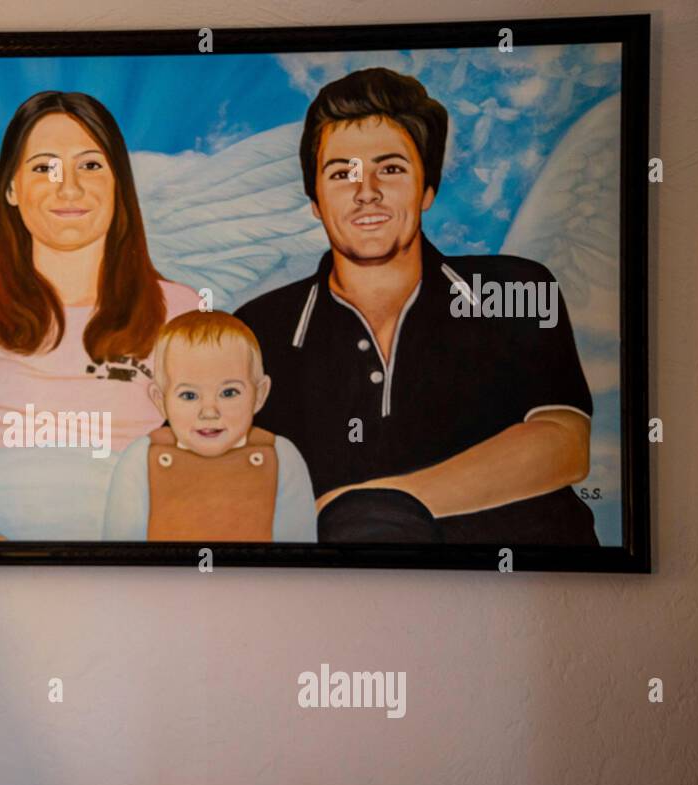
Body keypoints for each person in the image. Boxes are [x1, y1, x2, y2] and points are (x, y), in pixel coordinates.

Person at [235, 68, 598, 545]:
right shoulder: (257, 328)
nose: (366, 191)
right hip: (332, 603)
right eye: (342, 173)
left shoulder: (515, 286)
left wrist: (371, 509)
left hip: (530, 599)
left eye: (390, 168)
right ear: (316, 200)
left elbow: (564, 443)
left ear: (427, 188)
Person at [0, 90, 198, 542]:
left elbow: (210, 458)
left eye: (90, 165)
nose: (69, 188)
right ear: (10, 187)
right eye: (45, 167)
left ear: (118, 184)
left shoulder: (181, 309)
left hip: (133, 567)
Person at [102, 310, 316, 542]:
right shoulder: (141, 459)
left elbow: (299, 553)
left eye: (229, 392)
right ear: (160, 400)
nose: (209, 411)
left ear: (259, 395)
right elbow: (121, 556)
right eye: (189, 395)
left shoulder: (282, 458)